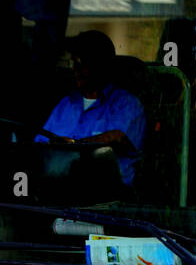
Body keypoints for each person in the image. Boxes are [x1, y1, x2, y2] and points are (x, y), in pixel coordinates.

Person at [37, 31, 146, 187]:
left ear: (100, 65)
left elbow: (117, 138)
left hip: (104, 196)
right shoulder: (66, 104)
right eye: (72, 64)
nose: (75, 70)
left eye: (81, 64)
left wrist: (75, 144)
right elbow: (40, 145)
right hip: (54, 191)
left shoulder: (126, 104)